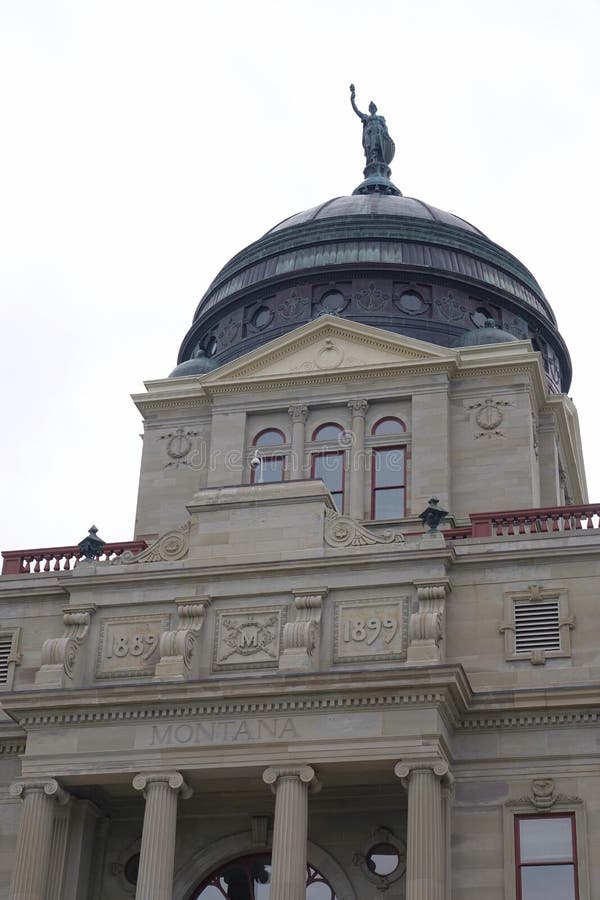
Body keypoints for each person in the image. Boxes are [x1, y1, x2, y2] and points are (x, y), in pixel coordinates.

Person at [349, 83, 395, 166]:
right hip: (371, 135)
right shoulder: (367, 117)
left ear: (375, 109)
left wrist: (387, 135)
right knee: (372, 149)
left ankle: (381, 163)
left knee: (380, 149)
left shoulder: (381, 118)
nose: (372, 109)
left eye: (373, 108)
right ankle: (373, 162)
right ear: (369, 109)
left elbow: (385, 128)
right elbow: (357, 110)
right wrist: (352, 99)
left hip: (379, 135)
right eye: (371, 108)